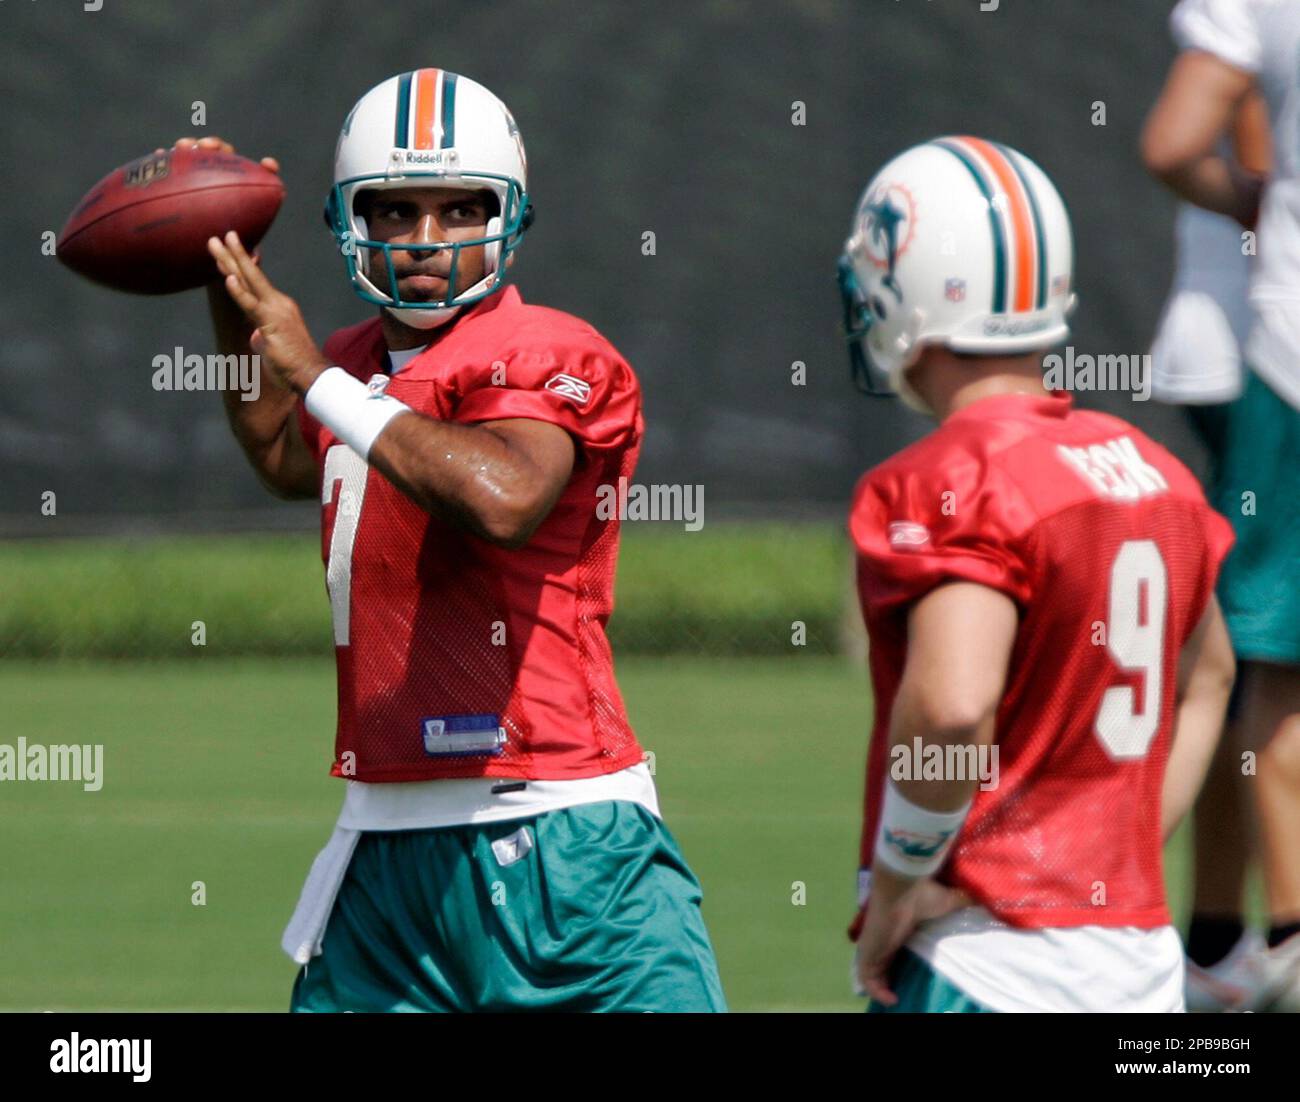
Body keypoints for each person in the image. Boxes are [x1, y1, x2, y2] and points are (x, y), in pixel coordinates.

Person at [191, 68, 726, 1012]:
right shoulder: (353, 365)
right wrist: (228, 297)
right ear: (351, 218)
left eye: (459, 208)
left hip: (560, 837)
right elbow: (283, 454)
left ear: (509, 215)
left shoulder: (550, 348)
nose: (429, 241)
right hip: (383, 845)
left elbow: (506, 495)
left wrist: (315, 376)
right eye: (397, 210)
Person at [837, 136, 1237, 1012]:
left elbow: (949, 707)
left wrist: (901, 880)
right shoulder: (1157, 471)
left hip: (990, 963)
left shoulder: (952, 476)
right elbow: (1211, 680)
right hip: (1139, 968)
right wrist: (1113, 848)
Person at [1142, 0, 1300, 1011]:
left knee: (1239, 666)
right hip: (1248, 352)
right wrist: (1258, 201)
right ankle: (1261, 948)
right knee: (1257, 666)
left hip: (1252, 349)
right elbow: (1210, 131)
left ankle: (1213, 947)